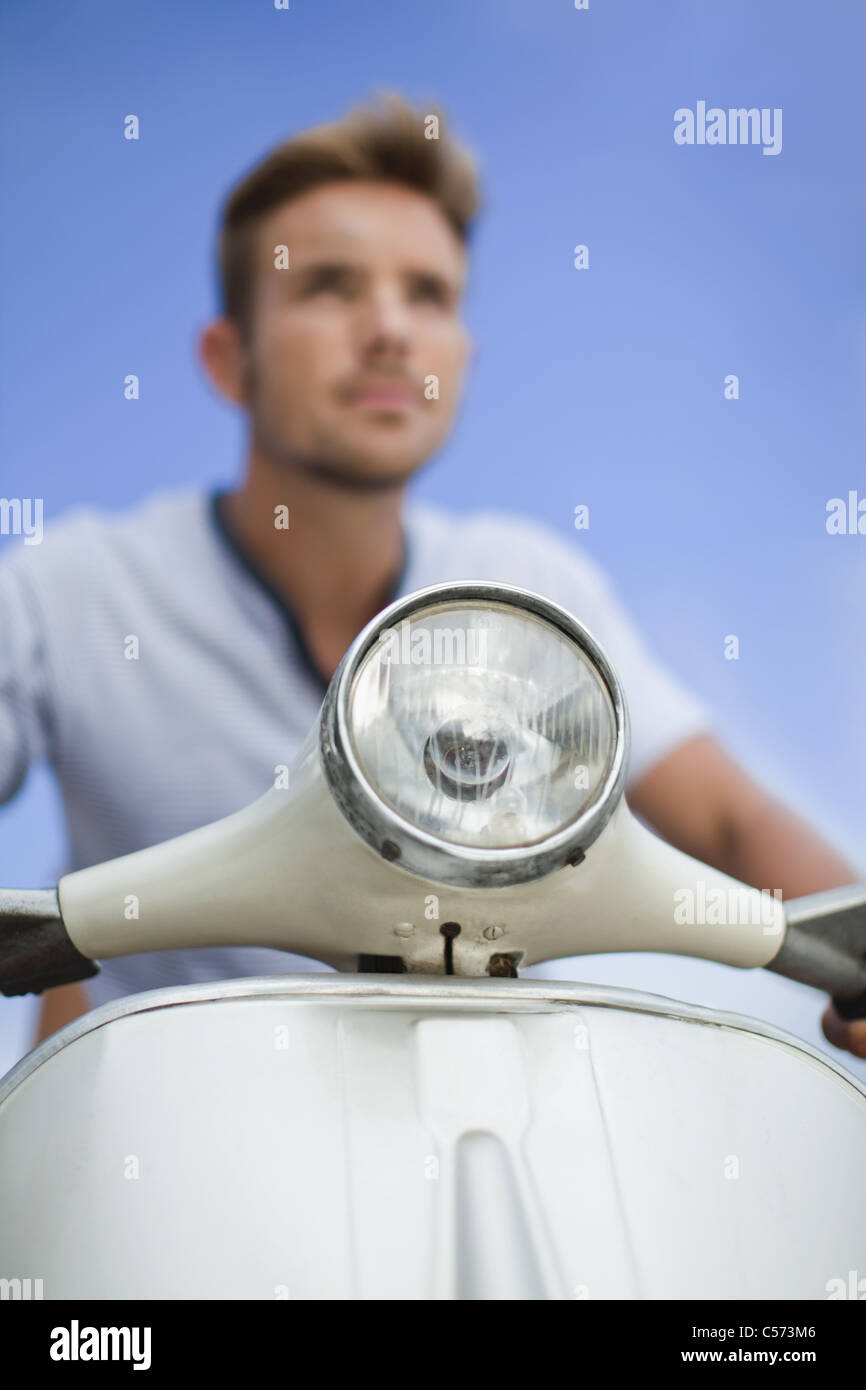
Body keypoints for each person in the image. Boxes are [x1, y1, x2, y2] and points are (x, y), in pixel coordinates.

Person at [1, 91, 862, 1058]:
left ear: (463, 354)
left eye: (429, 295)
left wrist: (857, 946)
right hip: (162, 1158)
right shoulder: (66, 591)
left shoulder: (530, 584)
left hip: (488, 1147)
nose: (389, 331)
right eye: (329, 285)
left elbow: (729, 820)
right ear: (228, 358)